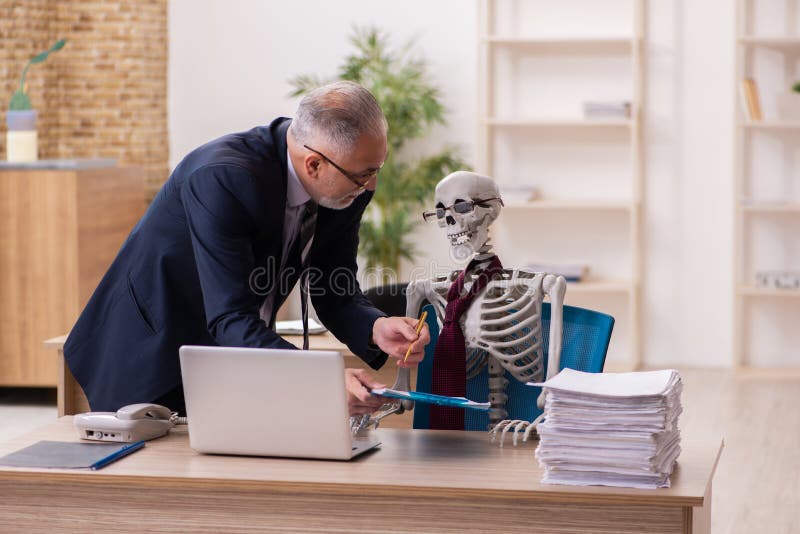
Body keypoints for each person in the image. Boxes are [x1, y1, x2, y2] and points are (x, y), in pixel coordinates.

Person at [64, 81, 430, 416]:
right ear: (314, 164)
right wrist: (320, 378)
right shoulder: (222, 177)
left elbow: (334, 288)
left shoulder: (346, 184)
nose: (371, 186)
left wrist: (375, 326)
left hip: (229, 354)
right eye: (364, 174)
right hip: (147, 354)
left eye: (377, 169)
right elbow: (230, 317)